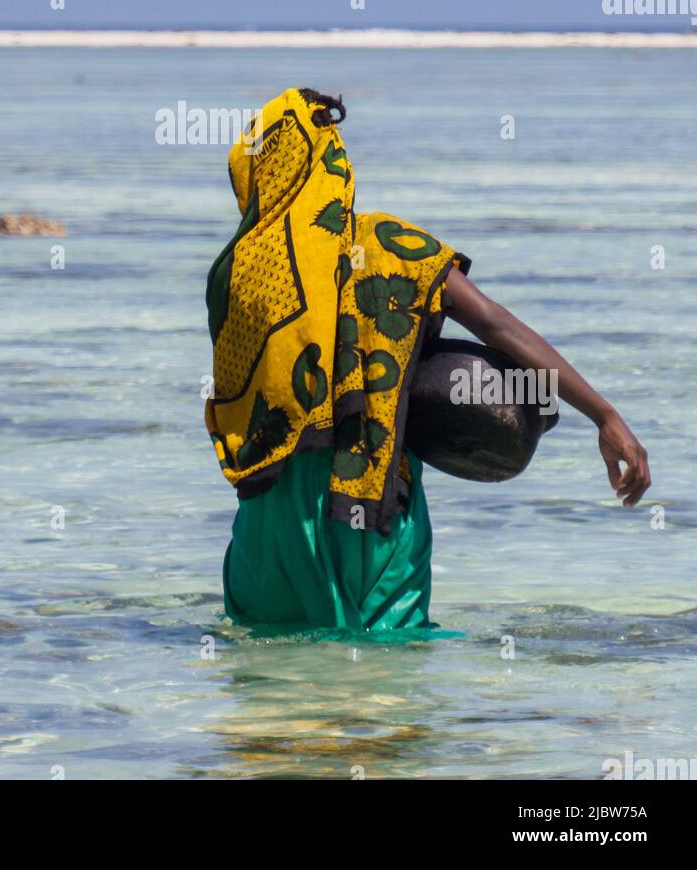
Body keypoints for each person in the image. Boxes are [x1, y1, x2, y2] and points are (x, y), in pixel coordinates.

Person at [204, 87, 650, 632]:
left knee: (268, 692)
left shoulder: (234, 277)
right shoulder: (386, 243)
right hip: (366, 507)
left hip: (268, 526)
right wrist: (604, 415)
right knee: (394, 688)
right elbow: (493, 323)